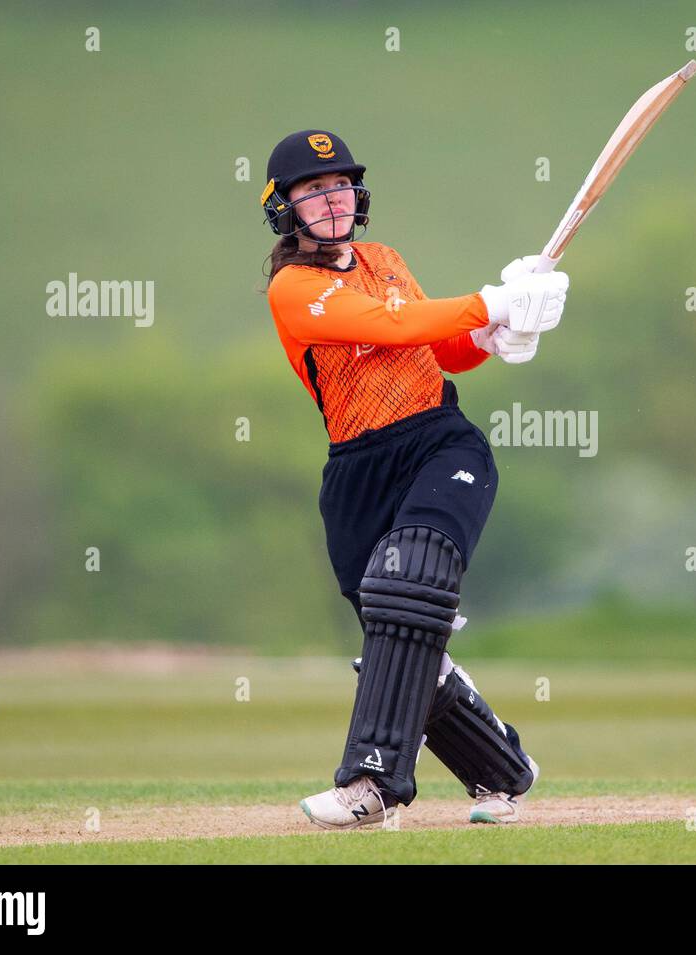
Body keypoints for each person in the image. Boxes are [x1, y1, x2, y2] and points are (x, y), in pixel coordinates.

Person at [260, 129, 568, 829]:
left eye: (339, 185)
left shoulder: (385, 258)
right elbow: (389, 325)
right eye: (314, 190)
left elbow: (441, 348)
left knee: (409, 584)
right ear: (286, 209)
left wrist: (497, 334)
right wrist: (493, 302)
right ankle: (503, 772)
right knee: (398, 640)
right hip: (357, 471)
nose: (331, 199)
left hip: (438, 442)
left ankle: (371, 783)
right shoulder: (294, 288)